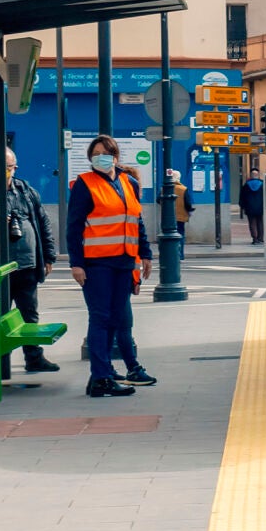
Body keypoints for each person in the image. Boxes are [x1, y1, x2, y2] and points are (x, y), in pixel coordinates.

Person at [68, 136, 154, 398]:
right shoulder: (85, 184)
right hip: (97, 263)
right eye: (95, 154)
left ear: (115, 156)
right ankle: (101, 377)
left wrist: (145, 253)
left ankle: (101, 375)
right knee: (101, 318)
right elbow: (73, 227)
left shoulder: (129, 183)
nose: (100, 158)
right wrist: (76, 264)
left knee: (116, 318)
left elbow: (136, 221)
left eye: (105, 153)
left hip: (124, 261)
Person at [0, 150, 60, 375]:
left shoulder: (27, 193)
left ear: (15, 168)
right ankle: (1, 364)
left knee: (29, 314)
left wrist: (49, 256)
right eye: (1, 167)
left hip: (25, 264)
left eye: (8, 167)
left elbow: (43, 224)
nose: (5, 171)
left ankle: (34, 358)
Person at [238, 167, 266, 244]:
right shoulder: (262, 184)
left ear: (251, 175)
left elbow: (242, 196)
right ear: (258, 175)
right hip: (260, 207)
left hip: (249, 207)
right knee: (260, 222)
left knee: (252, 223)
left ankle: (255, 238)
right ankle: (261, 238)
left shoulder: (246, 185)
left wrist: (242, 206)